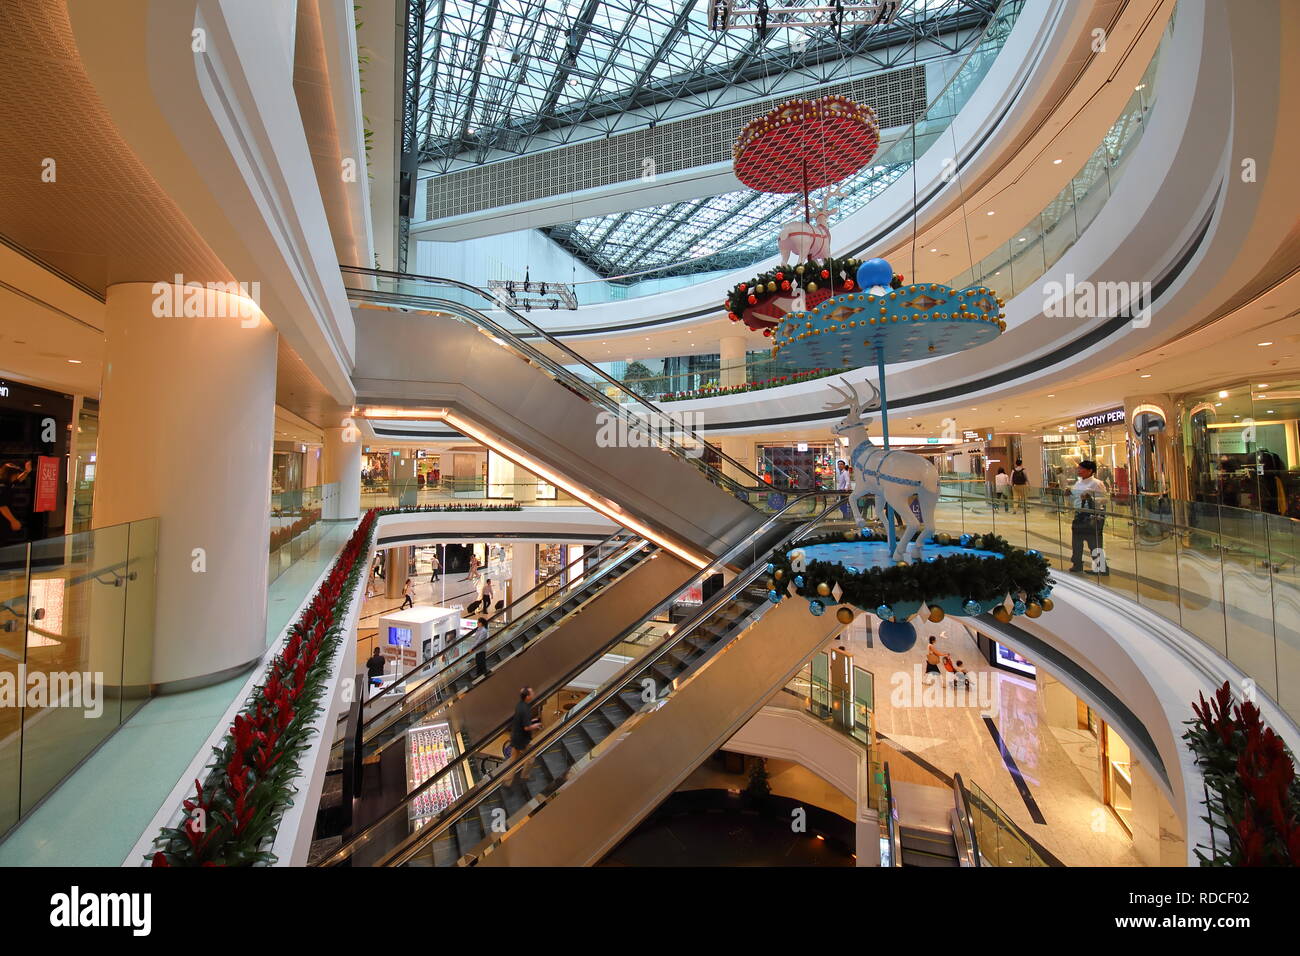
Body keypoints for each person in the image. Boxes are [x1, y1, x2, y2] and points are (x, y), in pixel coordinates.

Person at [1069, 460, 1108, 574]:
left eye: (1082, 469)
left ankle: (1101, 567)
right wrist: (1069, 496)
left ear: (1090, 471)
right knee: (1076, 541)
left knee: (1094, 543)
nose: (1079, 471)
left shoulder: (1097, 483)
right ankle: (1077, 564)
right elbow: (1075, 500)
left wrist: (1090, 497)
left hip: (1092, 515)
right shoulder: (1078, 483)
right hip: (1079, 514)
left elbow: (1104, 500)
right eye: (1079, 468)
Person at [509, 686, 542, 786]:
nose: (533, 694)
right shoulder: (526, 709)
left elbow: (522, 722)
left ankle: (507, 781)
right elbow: (526, 728)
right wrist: (536, 725)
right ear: (527, 696)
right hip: (522, 739)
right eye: (531, 693)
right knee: (531, 756)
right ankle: (524, 776)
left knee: (513, 759)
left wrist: (531, 721)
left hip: (515, 736)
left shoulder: (520, 705)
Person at [0, 460, 32, 544]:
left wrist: (26, 472)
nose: (17, 475)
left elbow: (18, 480)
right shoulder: (3, 488)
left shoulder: (7, 484)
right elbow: (2, 506)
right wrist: (13, 521)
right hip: (2, 521)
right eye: (16, 474)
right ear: (10, 475)